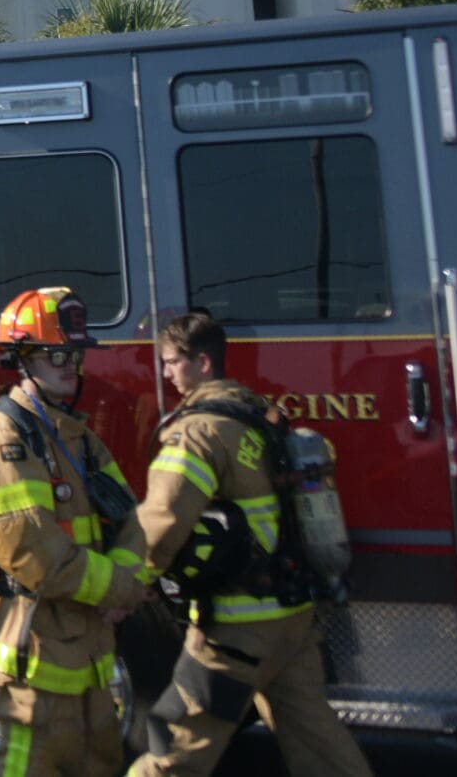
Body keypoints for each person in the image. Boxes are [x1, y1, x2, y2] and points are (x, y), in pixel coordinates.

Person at [128, 314, 373, 776]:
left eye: (171, 363)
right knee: (323, 752)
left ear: (201, 362)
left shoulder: (197, 432)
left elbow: (163, 517)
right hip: (293, 624)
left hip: (234, 639)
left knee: (170, 750)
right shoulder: (261, 413)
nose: (165, 374)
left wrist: (125, 582)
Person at [0, 287, 147, 777]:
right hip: (36, 666)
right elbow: (32, 551)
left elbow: (133, 523)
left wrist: (128, 582)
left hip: (92, 659)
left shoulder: (79, 439)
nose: (72, 365)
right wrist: (120, 587)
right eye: (57, 354)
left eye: (76, 354)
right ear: (23, 360)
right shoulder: (3, 441)